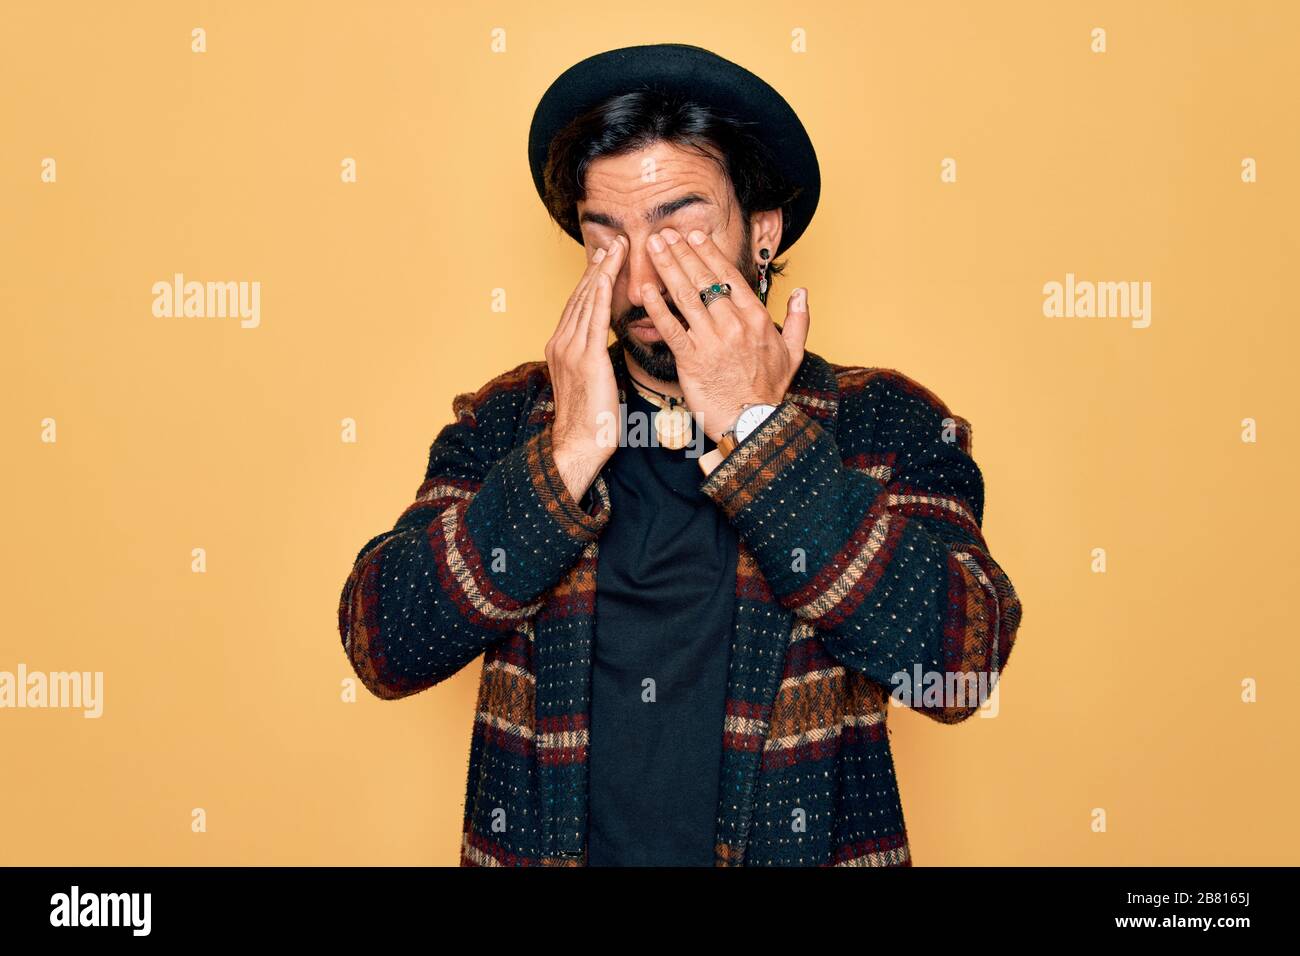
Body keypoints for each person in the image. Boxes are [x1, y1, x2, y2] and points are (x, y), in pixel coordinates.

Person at [337, 43, 1024, 867]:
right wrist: (564, 459)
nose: (639, 282)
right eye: (608, 242)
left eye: (681, 233)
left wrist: (760, 432)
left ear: (760, 233)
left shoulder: (882, 422)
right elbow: (382, 645)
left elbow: (964, 666)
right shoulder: (510, 421)